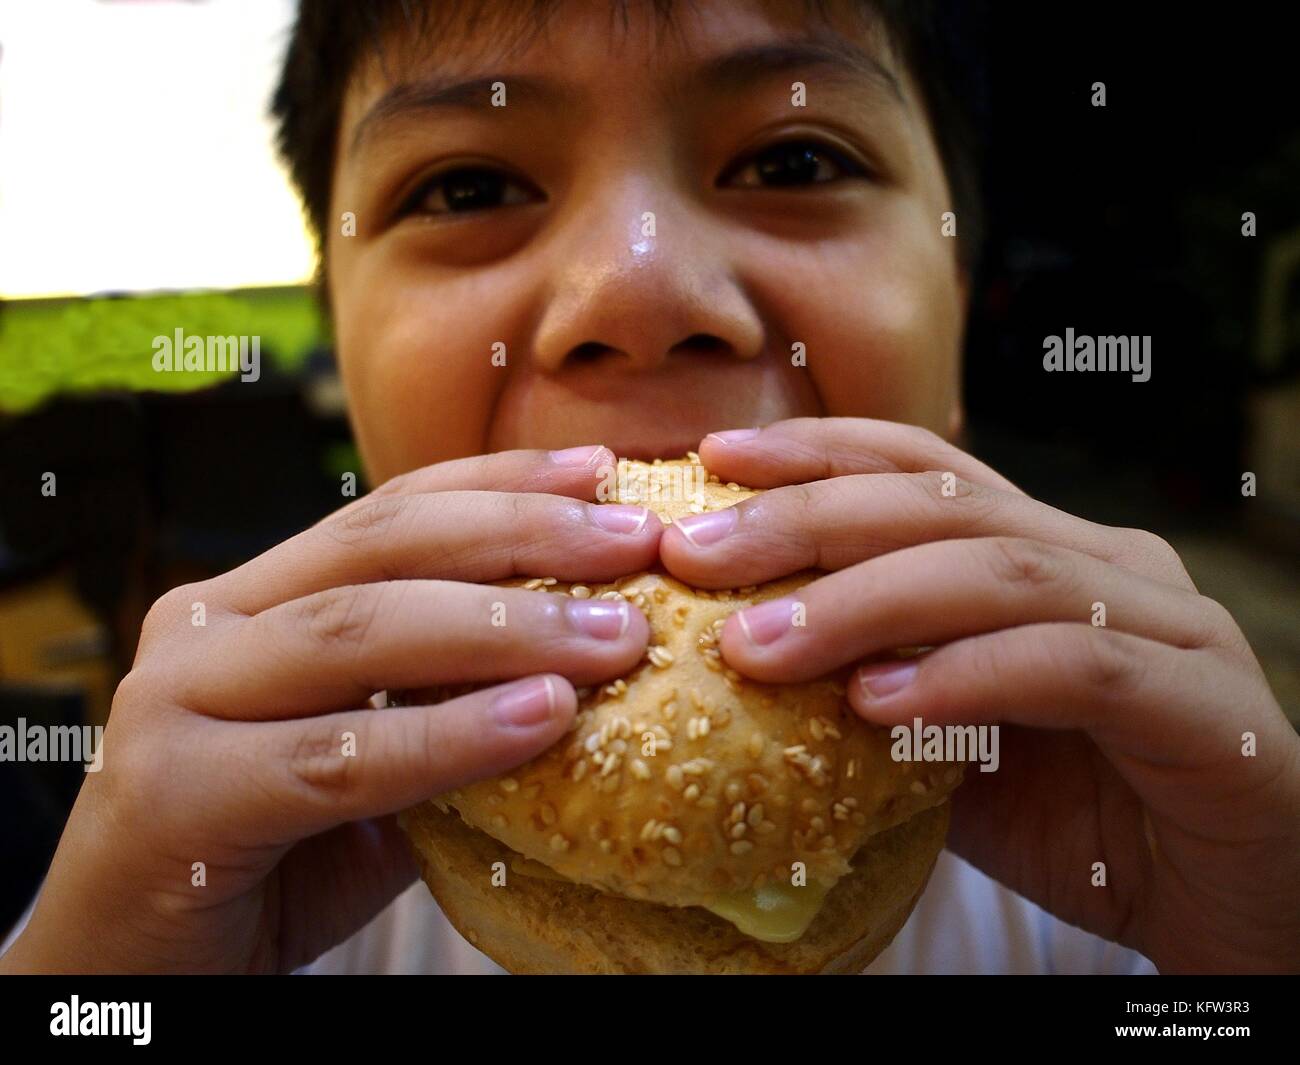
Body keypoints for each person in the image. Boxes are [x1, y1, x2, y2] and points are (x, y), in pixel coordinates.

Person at [3, 0, 1297, 975]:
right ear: (345, 355)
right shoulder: (197, 904)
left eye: (794, 161)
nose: (639, 290)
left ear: (955, 315)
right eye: (469, 185)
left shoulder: (1162, 877)